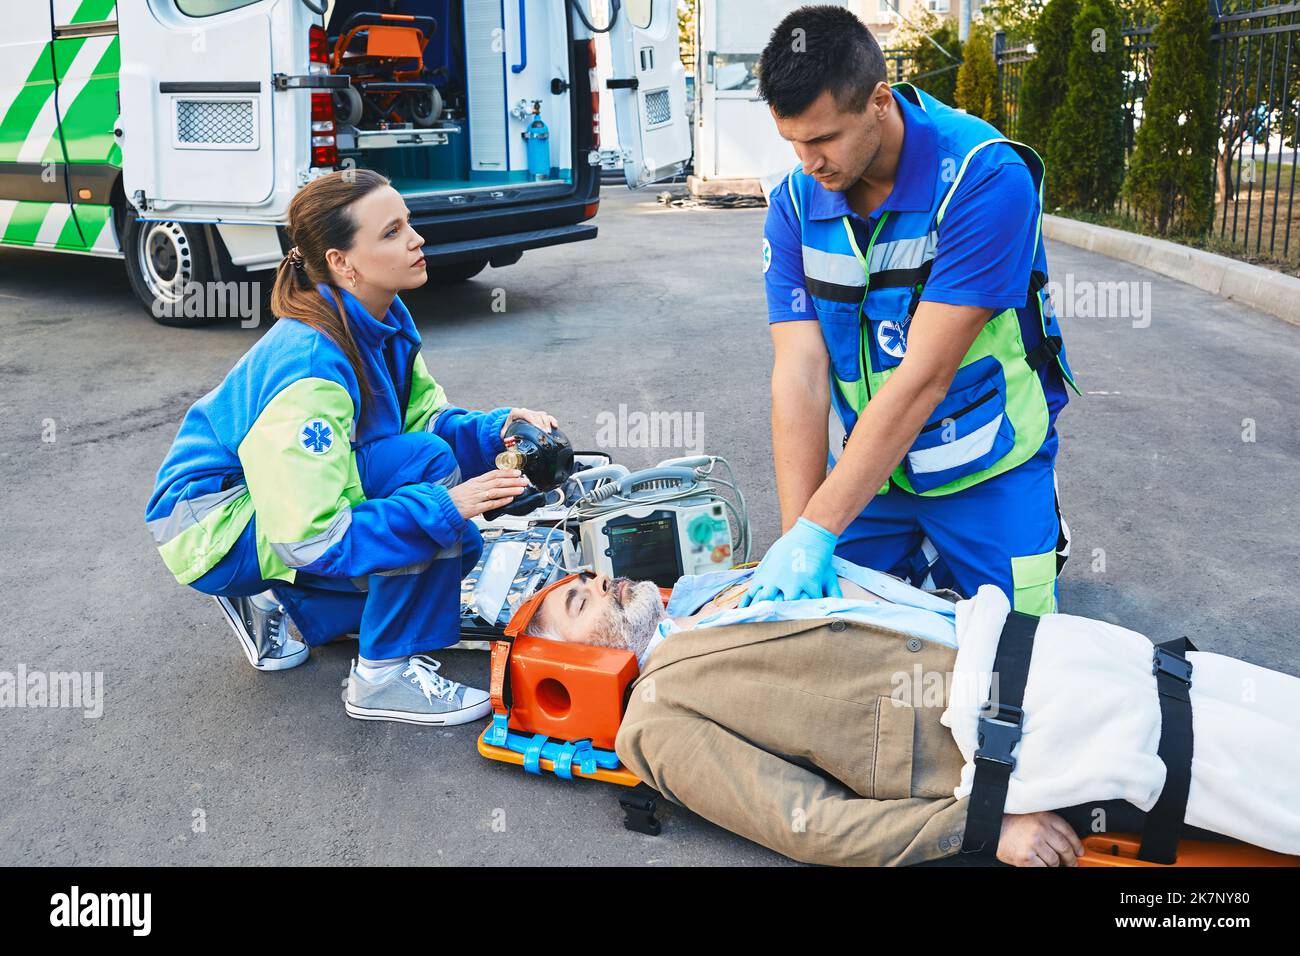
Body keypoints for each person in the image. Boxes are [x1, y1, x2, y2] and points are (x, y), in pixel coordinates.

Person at [510, 566, 1300, 866]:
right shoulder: (657, 714)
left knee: (1259, 707)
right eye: (581, 602)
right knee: (1264, 777)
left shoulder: (701, 598)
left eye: (590, 576)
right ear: (569, 664)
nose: (605, 581)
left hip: (1053, 649)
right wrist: (986, 829)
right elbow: (804, 822)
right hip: (1016, 723)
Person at [145, 168, 557, 725]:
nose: (417, 239)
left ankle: (280, 599)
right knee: (433, 498)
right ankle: (381, 677)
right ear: (343, 262)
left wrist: (495, 430)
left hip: (265, 503)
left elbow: (425, 419)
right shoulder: (312, 368)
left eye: (408, 224)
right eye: (391, 233)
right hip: (211, 525)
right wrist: (444, 507)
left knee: (443, 526)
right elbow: (315, 538)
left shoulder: (381, 319)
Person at [746, 6, 1077, 615]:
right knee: (825, 633)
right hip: (876, 474)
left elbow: (925, 375)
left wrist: (821, 531)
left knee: (1020, 658)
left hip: (989, 464)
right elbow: (800, 373)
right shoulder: (795, 202)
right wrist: (800, 537)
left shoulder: (984, 178)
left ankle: (1031, 527)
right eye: (793, 142)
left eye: (822, 139)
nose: (808, 162)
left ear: (878, 101)